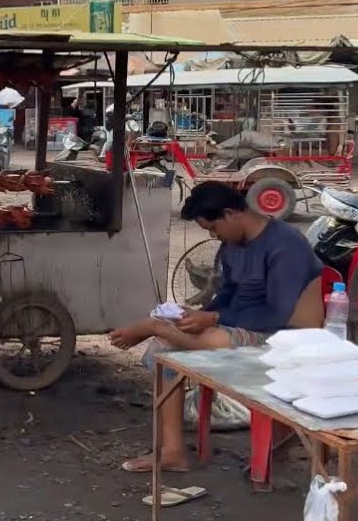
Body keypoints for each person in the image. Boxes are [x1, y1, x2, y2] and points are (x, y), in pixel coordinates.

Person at [109, 182, 324, 473]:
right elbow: (226, 295)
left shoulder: (287, 245)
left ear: (230, 214)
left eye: (213, 228)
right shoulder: (231, 246)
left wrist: (213, 320)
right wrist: (199, 316)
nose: (213, 236)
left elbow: (275, 313)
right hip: (244, 325)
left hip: (288, 335)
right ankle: (172, 451)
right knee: (166, 347)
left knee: (184, 338)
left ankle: (156, 327)